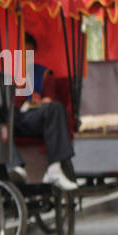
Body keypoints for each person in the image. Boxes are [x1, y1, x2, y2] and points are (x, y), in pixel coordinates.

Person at [16, 34, 78, 190]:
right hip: (11, 118)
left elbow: (50, 99)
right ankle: (13, 166)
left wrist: (40, 102)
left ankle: (54, 168)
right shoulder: (5, 73)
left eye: (29, 53)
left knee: (55, 108)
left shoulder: (43, 74)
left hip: (31, 118)